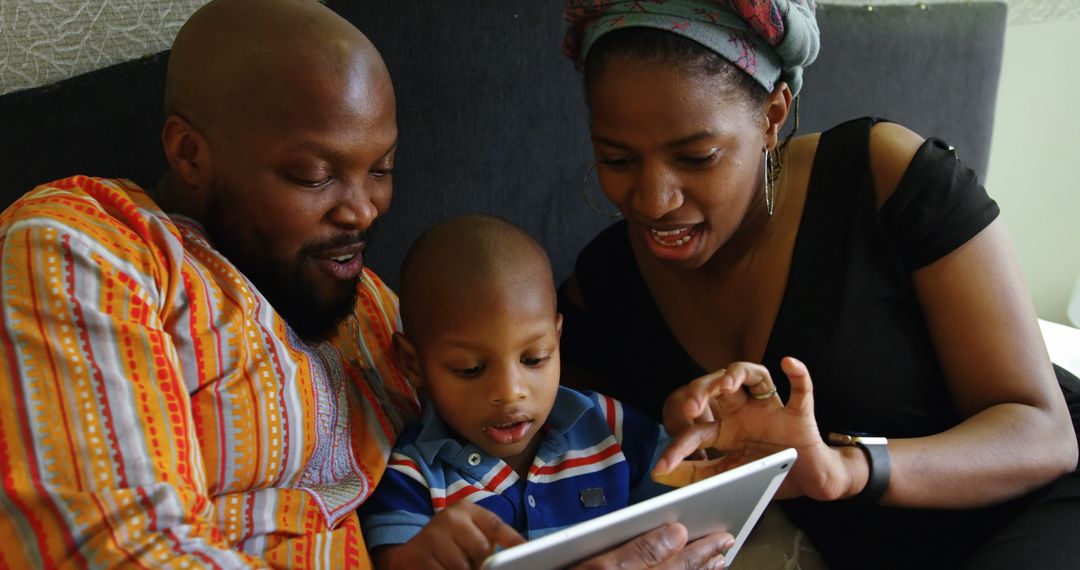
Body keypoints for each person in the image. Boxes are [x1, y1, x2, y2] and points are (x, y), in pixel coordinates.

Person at [0, 0, 734, 567]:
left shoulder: (371, 302)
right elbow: (110, 549)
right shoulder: (85, 247)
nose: (363, 210)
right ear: (191, 153)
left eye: (381, 170)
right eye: (314, 175)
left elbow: (506, 415)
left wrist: (688, 437)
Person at [557, 1, 1080, 569]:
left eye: (697, 157)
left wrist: (846, 468)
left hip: (1042, 506)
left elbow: (1043, 434)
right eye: (617, 159)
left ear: (772, 115)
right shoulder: (605, 285)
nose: (654, 200)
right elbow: (533, 459)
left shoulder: (883, 178)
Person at [359, 215, 679, 568]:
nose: (511, 392)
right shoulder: (412, 478)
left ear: (557, 340)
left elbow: (696, 486)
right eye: (471, 369)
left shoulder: (606, 424)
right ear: (413, 365)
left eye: (534, 358)